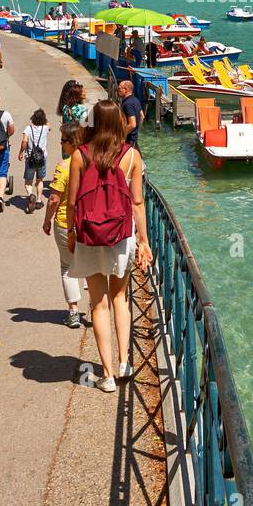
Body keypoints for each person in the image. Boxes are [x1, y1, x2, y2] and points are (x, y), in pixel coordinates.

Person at [65, 101, 152, 392]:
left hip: (89, 235)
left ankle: (107, 375)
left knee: (98, 304)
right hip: (121, 236)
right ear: (117, 123)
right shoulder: (131, 156)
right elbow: (138, 203)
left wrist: (72, 232)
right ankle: (125, 361)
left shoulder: (80, 155)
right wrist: (144, 241)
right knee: (120, 299)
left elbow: (72, 200)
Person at [42, 125, 84, 327]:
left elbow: (54, 198)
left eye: (62, 141)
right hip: (89, 223)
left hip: (66, 222)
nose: (61, 144)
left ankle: (74, 311)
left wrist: (46, 219)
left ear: (71, 142)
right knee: (89, 264)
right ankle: (99, 309)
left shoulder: (64, 166)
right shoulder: (91, 163)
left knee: (67, 266)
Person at [18, 108, 49, 214]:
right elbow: (49, 125)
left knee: (28, 182)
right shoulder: (45, 128)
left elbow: (24, 141)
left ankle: (31, 194)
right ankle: (39, 200)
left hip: (30, 158)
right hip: (42, 157)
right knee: (40, 180)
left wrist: (21, 152)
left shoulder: (28, 129)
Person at [117, 78, 143, 146]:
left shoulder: (128, 104)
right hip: (134, 138)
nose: (118, 90)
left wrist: (121, 136)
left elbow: (132, 124)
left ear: (125, 90)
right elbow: (142, 116)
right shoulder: (136, 100)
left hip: (128, 140)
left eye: (119, 88)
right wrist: (136, 132)